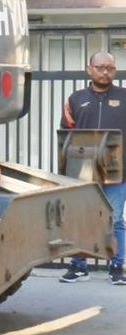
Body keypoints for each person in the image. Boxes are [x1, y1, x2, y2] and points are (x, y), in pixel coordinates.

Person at [60, 52, 126, 285]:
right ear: (90, 69)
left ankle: (117, 268)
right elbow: (66, 135)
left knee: (115, 220)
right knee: (81, 218)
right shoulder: (75, 99)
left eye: (109, 67)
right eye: (100, 67)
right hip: (83, 172)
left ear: (114, 70)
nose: (105, 72)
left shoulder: (124, 97)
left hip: (117, 173)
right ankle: (79, 266)